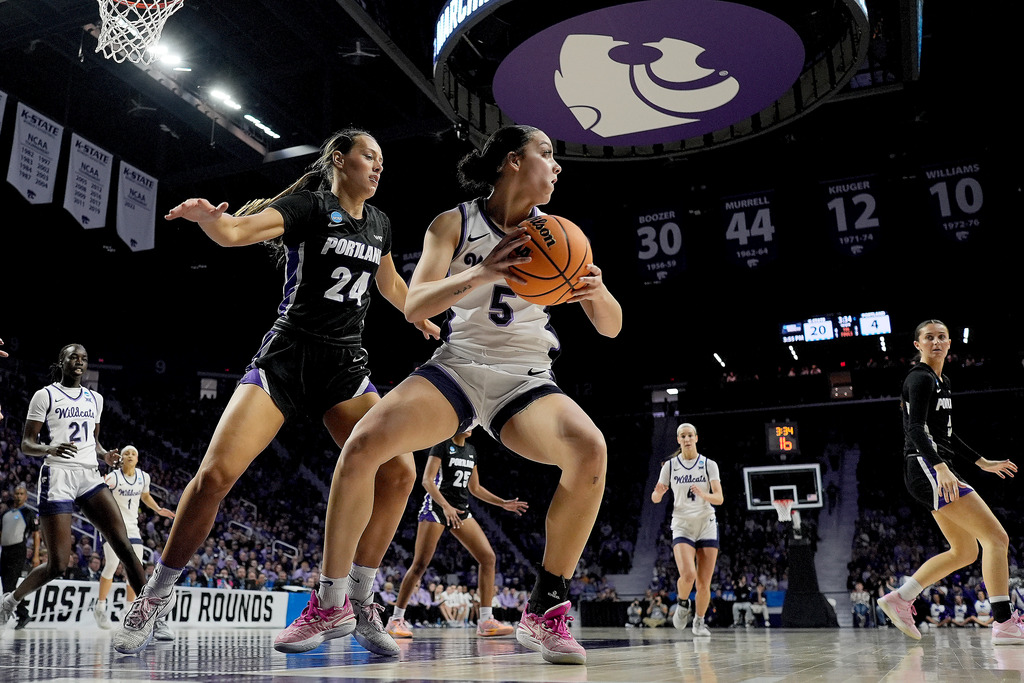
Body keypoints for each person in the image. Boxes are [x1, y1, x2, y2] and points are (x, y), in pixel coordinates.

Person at [274, 124, 621, 665]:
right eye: (546, 154)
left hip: (524, 376)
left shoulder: (560, 235)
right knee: (362, 446)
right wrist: (483, 270)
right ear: (512, 161)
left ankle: (546, 608)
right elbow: (416, 305)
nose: (556, 166)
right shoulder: (454, 222)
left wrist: (596, 292)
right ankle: (332, 600)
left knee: (590, 449)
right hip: (457, 368)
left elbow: (612, 327)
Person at [111, 128, 441, 656]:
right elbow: (238, 233)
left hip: (344, 368)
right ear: (340, 159)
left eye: (383, 159)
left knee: (400, 472)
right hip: (287, 359)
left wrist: (416, 314)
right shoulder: (309, 207)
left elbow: (390, 285)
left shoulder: (379, 223)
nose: (379, 167)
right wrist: (211, 220)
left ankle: (358, 599)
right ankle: (155, 595)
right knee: (215, 476)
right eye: (369, 156)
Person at [877, 320, 1024, 644]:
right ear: (918, 345)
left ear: (949, 342)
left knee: (964, 551)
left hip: (930, 467)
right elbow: (915, 428)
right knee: (997, 538)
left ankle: (901, 598)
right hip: (926, 467)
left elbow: (946, 434)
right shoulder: (920, 378)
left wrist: (981, 461)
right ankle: (1004, 623)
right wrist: (941, 467)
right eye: (929, 337)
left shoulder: (942, 380)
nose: (936, 342)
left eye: (941, 336)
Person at [1, 343, 148, 631]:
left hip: (89, 475)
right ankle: (12, 600)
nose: (79, 362)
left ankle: (150, 616)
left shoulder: (95, 399)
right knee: (58, 564)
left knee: (124, 547)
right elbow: (26, 444)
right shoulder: (45, 395)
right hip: (57, 475)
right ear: (62, 361)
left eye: (84, 358)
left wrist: (105, 455)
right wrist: (50, 448)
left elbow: (94, 443)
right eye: (73, 357)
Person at [385, 429, 528, 640]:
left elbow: (476, 488)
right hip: (436, 507)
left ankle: (486, 620)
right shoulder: (441, 445)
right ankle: (396, 620)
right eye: (468, 420)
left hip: (460, 509)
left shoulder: (471, 451)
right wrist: (445, 506)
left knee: (488, 558)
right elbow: (427, 480)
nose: (472, 425)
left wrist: (502, 503)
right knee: (420, 564)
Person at [651, 423, 724, 638]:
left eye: (690, 435)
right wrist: (659, 493)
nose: (687, 439)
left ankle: (699, 623)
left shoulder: (709, 464)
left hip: (706, 523)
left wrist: (704, 495)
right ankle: (683, 603)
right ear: (678, 440)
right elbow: (655, 498)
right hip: (682, 523)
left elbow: (719, 498)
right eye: (683, 436)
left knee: (703, 583)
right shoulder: (670, 466)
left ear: (696, 438)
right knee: (688, 574)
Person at [94, 445, 176, 635]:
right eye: (126, 453)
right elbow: (98, 494)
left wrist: (157, 509)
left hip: (131, 527)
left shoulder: (143, 477)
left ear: (137, 459)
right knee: (112, 564)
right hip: (112, 526)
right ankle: (100, 607)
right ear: (120, 458)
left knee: (135, 567)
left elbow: (145, 495)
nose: (130, 456)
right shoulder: (113, 477)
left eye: (133, 454)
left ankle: (129, 609)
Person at [1, 484, 40, 629]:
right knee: (6, 586)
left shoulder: (28, 513)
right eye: (16, 493)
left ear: (26, 496)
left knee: (10, 584)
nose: (18, 496)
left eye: (21, 494)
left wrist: (36, 555)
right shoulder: (6, 513)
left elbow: (36, 534)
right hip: (4, 550)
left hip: (17, 550)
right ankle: (22, 614)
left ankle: (23, 614)